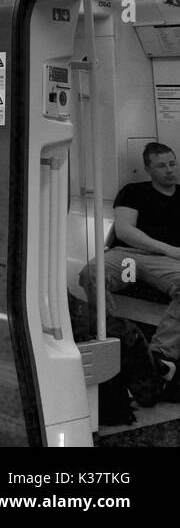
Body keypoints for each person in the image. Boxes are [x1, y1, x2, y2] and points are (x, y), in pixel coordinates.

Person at [80, 142, 180, 405]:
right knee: (91, 273)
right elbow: (125, 231)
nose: (169, 170)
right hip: (130, 255)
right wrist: (168, 249)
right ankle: (115, 339)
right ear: (148, 169)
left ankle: (159, 357)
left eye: (172, 163)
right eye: (161, 165)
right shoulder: (134, 192)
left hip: (165, 263)